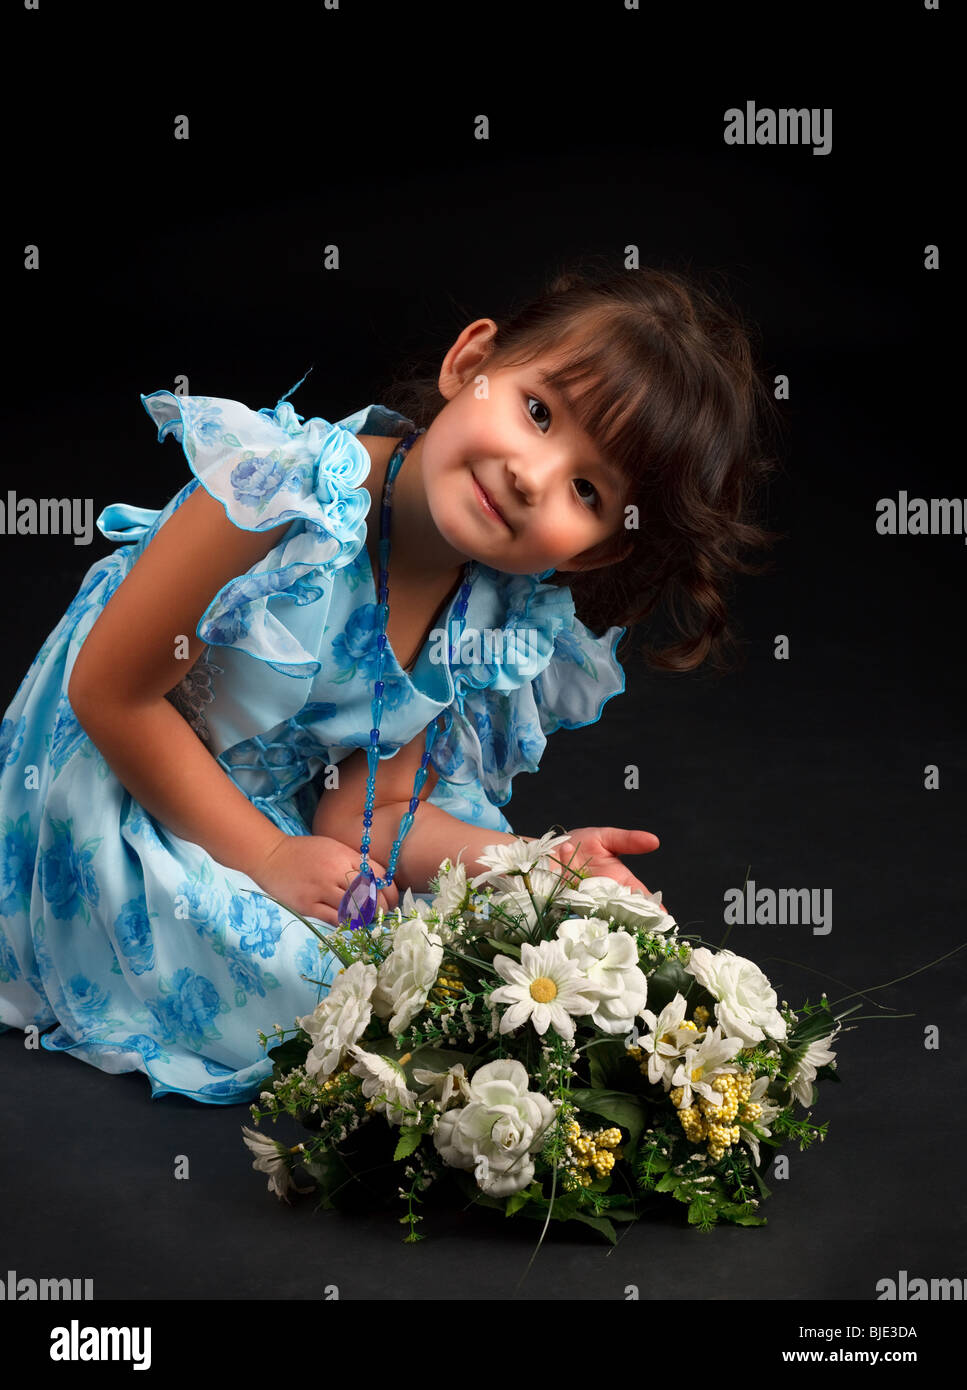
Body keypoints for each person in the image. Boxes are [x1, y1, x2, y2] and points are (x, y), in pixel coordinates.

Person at [0, 264, 779, 1104]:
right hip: (127, 765)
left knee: (455, 950)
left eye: (586, 490)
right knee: (328, 995)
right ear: (469, 361)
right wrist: (266, 856)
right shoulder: (282, 492)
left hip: (281, 804)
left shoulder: (482, 612)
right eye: (538, 412)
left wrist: (538, 865)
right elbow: (108, 695)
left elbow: (362, 811)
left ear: (591, 550)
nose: (531, 474)